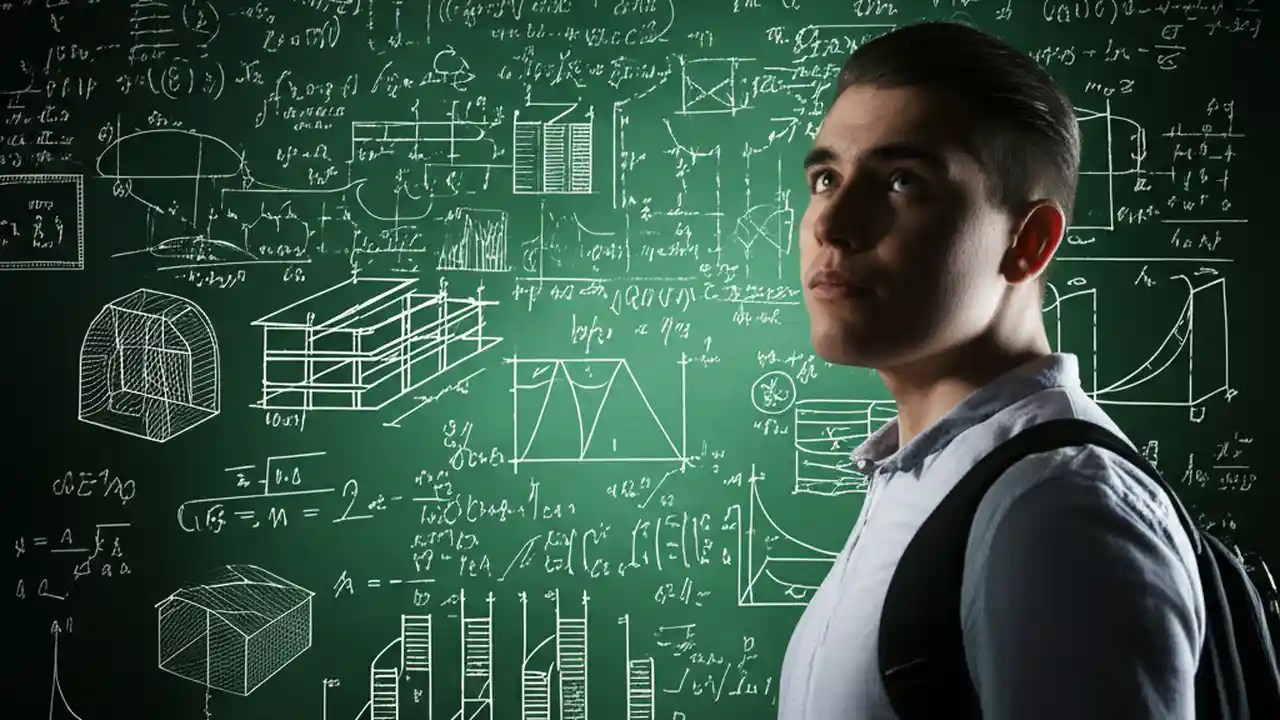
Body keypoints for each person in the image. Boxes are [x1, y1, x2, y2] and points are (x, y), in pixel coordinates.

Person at [777, 19, 1205, 720]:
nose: (831, 223)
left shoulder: (1056, 511)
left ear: (1028, 241)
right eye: (826, 178)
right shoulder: (938, 479)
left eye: (903, 181)